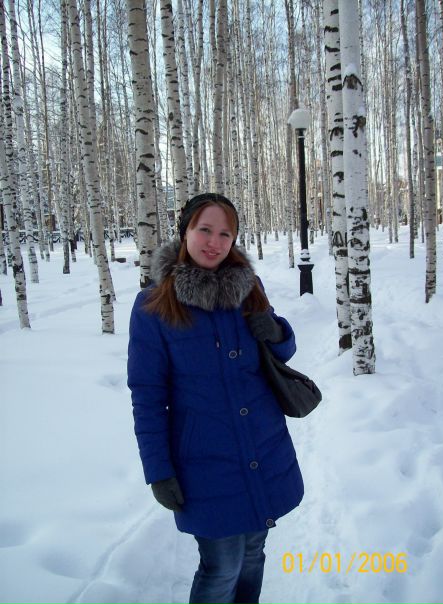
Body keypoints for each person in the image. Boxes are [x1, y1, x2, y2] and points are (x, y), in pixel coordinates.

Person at [127, 193, 304, 604]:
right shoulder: (153, 305)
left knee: (254, 554)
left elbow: (279, 354)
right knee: (221, 567)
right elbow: (147, 396)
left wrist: (278, 332)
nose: (215, 242)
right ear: (184, 231)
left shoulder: (248, 286)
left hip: (263, 446)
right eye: (204, 229)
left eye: (226, 234)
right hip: (203, 463)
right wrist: (158, 470)